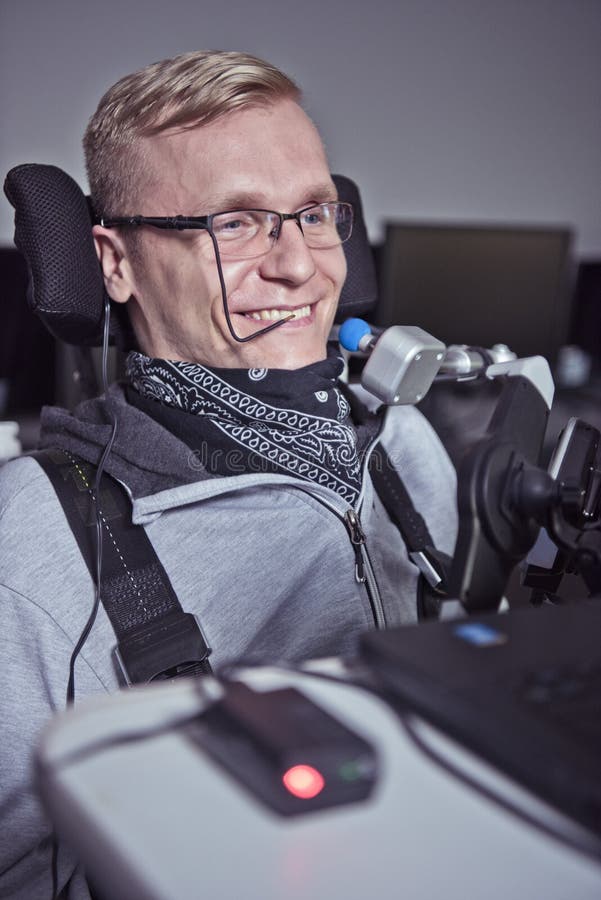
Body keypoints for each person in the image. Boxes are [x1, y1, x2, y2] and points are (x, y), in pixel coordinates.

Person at [0, 50, 457, 898]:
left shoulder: (407, 450)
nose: (299, 268)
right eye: (234, 223)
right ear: (115, 263)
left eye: (313, 214)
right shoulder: (32, 548)